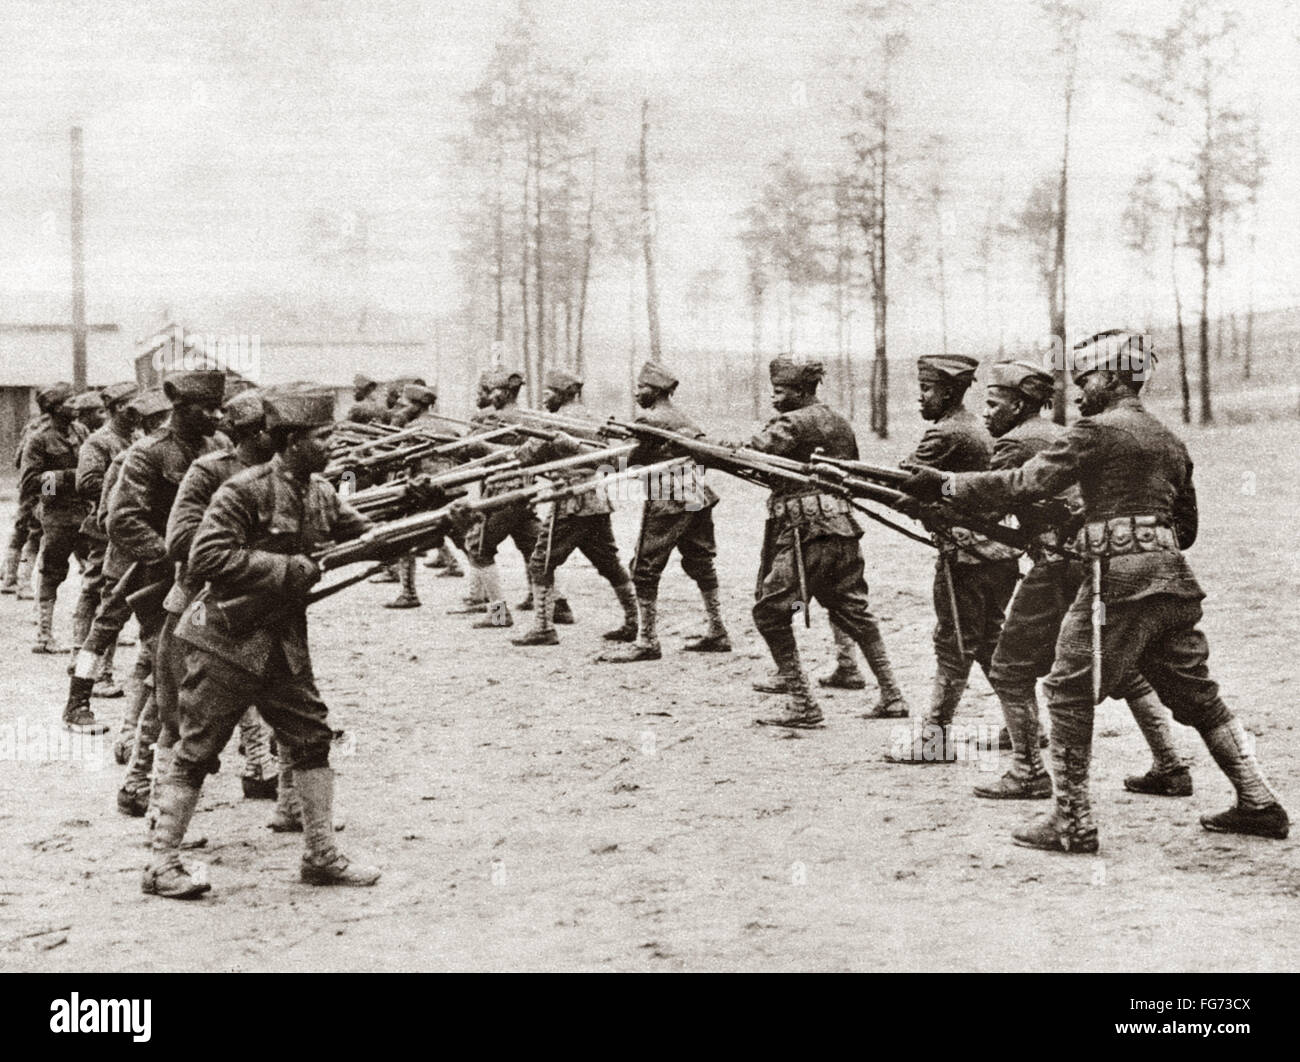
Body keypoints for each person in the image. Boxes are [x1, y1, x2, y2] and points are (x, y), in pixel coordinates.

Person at [901, 330, 1289, 849]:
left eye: (1085, 381)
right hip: (1172, 583)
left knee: (1065, 690)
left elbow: (1025, 484)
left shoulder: (1095, 432)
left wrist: (946, 484)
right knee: (1196, 694)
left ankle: (1073, 821)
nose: (1078, 395)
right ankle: (1259, 801)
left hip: (1116, 584)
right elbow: (1187, 529)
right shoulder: (1169, 439)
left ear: (1111, 378)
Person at [144, 387, 380, 898]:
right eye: (324, 436)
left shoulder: (318, 491)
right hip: (225, 639)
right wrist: (284, 568)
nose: (333, 443)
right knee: (199, 749)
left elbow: (365, 536)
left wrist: (440, 519)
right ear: (293, 441)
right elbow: (204, 557)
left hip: (281, 643)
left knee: (312, 738)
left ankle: (320, 855)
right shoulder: (242, 490)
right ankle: (162, 864)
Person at [960, 360, 1190, 800]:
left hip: (1058, 566)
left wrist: (937, 499)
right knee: (1120, 668)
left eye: (993, 403)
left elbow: (998, 503)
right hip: (1092, 563)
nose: (986, 413)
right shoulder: (1055, 432)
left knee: (1009, 668)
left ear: (1019, 404)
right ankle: (1170, 763)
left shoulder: (1012, 444)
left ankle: (1028, 771)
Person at [741, 357, 908, 729]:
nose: (773, 398)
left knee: (770, 612)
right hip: (843, 528)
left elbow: (751, 453)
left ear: (801, 392)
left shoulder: (791, 423)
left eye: (780, 391)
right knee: (853, 609)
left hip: (806, 531)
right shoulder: (838, 420)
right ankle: (892, 694)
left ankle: (802, 703)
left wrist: (708, 448)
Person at [147, 388, 280, 834]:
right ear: (255, 431)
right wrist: (254, 550)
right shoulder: (210, 471)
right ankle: (156, 815)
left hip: (266, 608)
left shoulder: (287, 473)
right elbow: (180, 541)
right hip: (203, 607)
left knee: (289, 708)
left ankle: (281, 797)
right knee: (180, 717)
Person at [887, 354, 1021, 763]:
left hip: (967, 556)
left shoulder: (945, 434)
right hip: (998, 555)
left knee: (956, 641)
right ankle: (1023, 728)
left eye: (927, 390)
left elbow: (906, 483)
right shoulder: (974, 427)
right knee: (988, 642)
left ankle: (934, 739)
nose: (920, 399)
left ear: (947, 392)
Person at [105, 370, 225, 805]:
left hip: (211, 579)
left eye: (218, 407)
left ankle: (152, 780)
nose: (216, 416)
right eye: (206, 409)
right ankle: (140, 781)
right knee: (167, 678)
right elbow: (121, 520)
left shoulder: (218, 450)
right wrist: (174, 556)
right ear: (181, 409)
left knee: (204, 675)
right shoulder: (147, 454)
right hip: (163, 581)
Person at [599, 361, 730, 662]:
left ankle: (647, 640)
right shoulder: (683, 417)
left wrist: (604, 464)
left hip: (668, 500)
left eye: (642, 388)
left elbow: (633, 459)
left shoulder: (651, 419)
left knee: (644, 568)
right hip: (696, 494)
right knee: (700, 562)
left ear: (656, 391)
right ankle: (717, 629)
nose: (637, 393)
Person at [66, 389, 170, 742]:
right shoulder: (127, 457)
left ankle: (139, 726)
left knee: (153, 640)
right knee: (104, 631)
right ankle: (77, 703)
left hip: (156, 564)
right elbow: (110, 514)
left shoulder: (172, 455)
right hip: (127, 562)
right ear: (155, 421)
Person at [510, 369, 637, 646]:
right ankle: (633, 622)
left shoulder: (553, 421)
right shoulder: (595, 420)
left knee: (538, 562)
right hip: (596, 500)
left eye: (547, 393)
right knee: (609, 564)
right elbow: (607, 460)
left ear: (562, 393)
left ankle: (538, 626)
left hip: (569, 502)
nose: (543, 399)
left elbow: (526, 456)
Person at [458, 368, 572, 627]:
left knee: (477, 547)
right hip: (525, 492)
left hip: (502, 491)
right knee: (533, 548)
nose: (490, 395)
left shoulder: (493, 420)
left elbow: (468, 450)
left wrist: (475, 444)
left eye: (493, 391)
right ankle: (560, 606)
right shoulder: (528, 418)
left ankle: (498, 614)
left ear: (506, 392)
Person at [71, 381, 139, 693]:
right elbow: (86, 483)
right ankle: (94, 671)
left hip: (131, 529)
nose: (136, 410)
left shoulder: (136, 439)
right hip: (103, 530)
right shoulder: (98, 443)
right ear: (114, 409)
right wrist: (126, 497)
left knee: (118, 595)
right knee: (101, 593)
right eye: (129, 405)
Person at [20, 383, 91, 653]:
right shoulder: (39, 439)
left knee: (97, 569)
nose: (76, 404)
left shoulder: (80, 431)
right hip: (58, 514)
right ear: (55, 408)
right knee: (52, 572)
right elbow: (31, 483)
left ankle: (90, 634)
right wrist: (64, 481)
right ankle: (44, 636)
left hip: (84, 511)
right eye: (70, 401)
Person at [2, 386, 65, 599]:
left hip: (46, 486)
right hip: (35, 488)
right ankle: (18, 580)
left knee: (29, 532)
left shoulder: (65, 428)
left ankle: (13, 576)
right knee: (30, 532)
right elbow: (22, 460)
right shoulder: (38, 431)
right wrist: (47, 495)